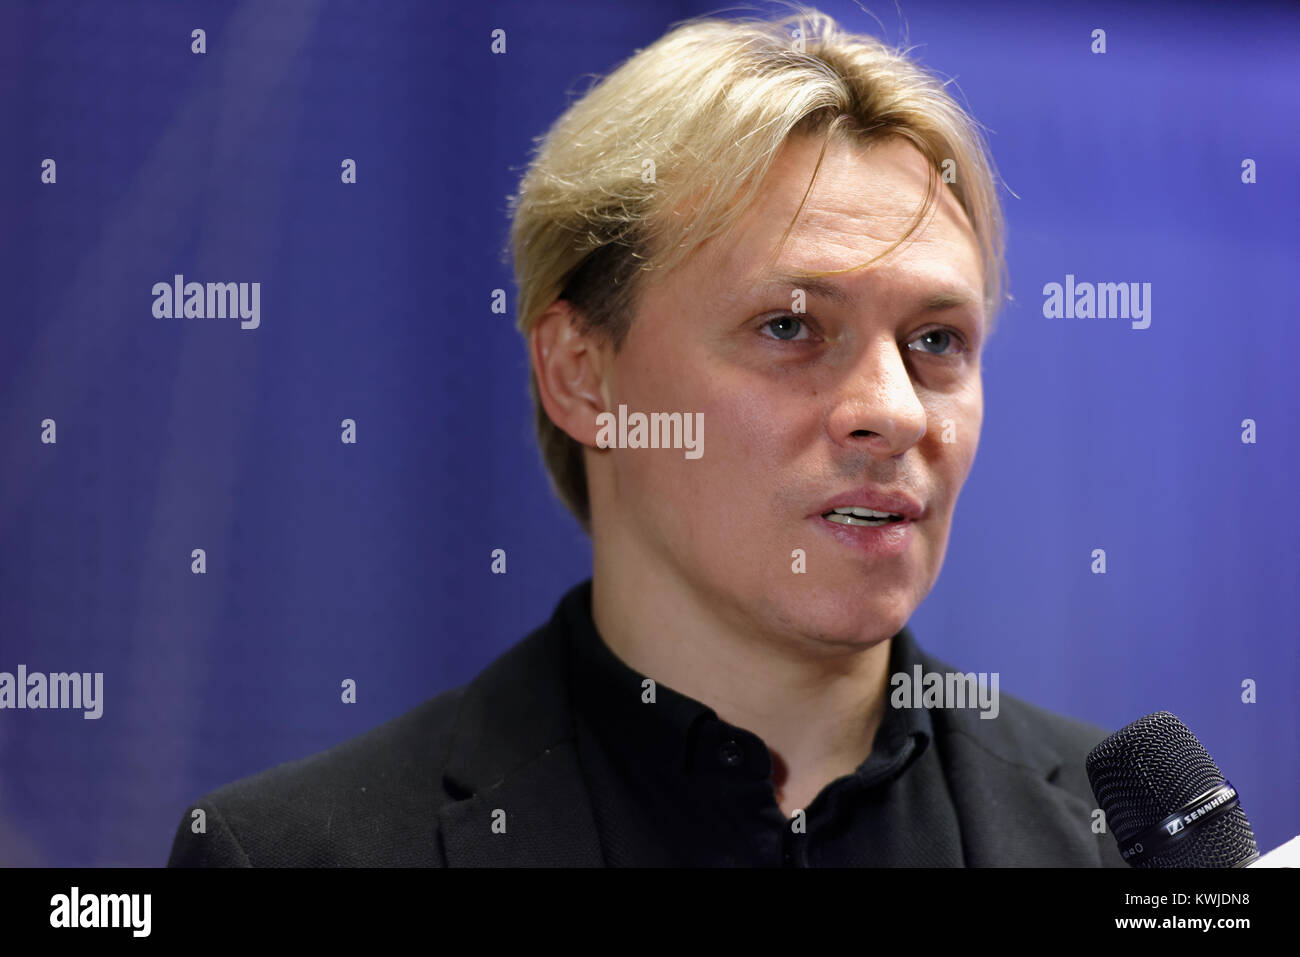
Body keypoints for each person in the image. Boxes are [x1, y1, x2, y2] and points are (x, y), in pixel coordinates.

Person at [168, 7, 1126, 867]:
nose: (897, 409)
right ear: (583, 374)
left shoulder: (1130, 843)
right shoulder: (303, 854)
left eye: (935, 341)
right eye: (791, 326)